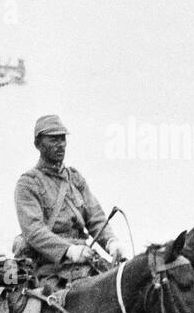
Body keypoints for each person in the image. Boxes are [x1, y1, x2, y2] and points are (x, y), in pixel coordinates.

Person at [14, 114, 125, 285]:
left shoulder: (75, 179)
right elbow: (33, 230)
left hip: (84, 260)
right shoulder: (28, 184)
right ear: (38, 144)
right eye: (53, 140)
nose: (60, 145)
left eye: (62, 139)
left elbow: (96, 218)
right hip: (49, 267)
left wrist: (111, 242)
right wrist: (68, 250)